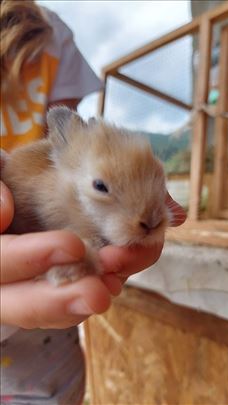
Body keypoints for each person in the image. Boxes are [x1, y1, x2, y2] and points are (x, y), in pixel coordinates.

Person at [0, 1, 186, 404]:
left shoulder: (51, 32)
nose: (152, 219)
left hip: (52, 354)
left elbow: (70, 126)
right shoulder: (47, 183)